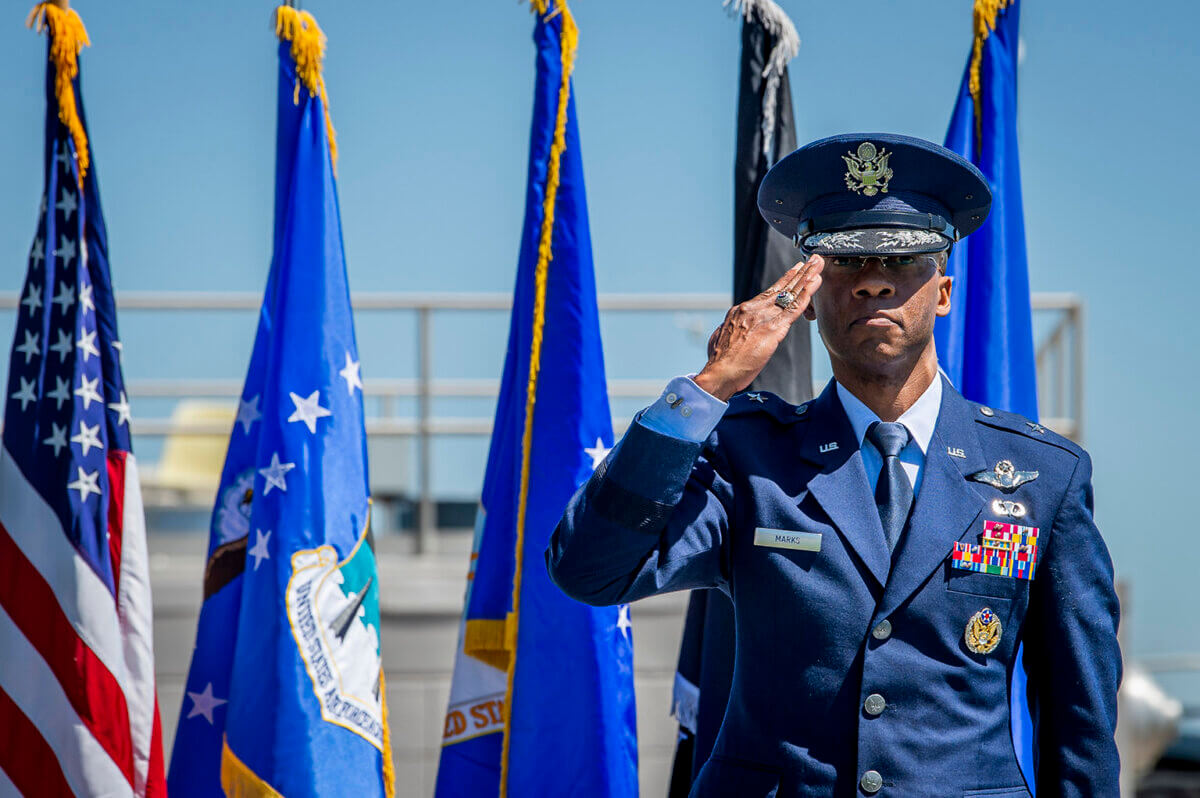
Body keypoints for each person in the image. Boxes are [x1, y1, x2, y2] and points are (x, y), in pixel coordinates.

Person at [546, 133, 1120, 797]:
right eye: (846, 263)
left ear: (943, 292)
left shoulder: (1042, 475)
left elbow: (1081, 720)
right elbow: (588, 568)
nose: (873, 280)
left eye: (900, 263)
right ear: (810, 294)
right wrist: (707, 390)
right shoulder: (745, 456)